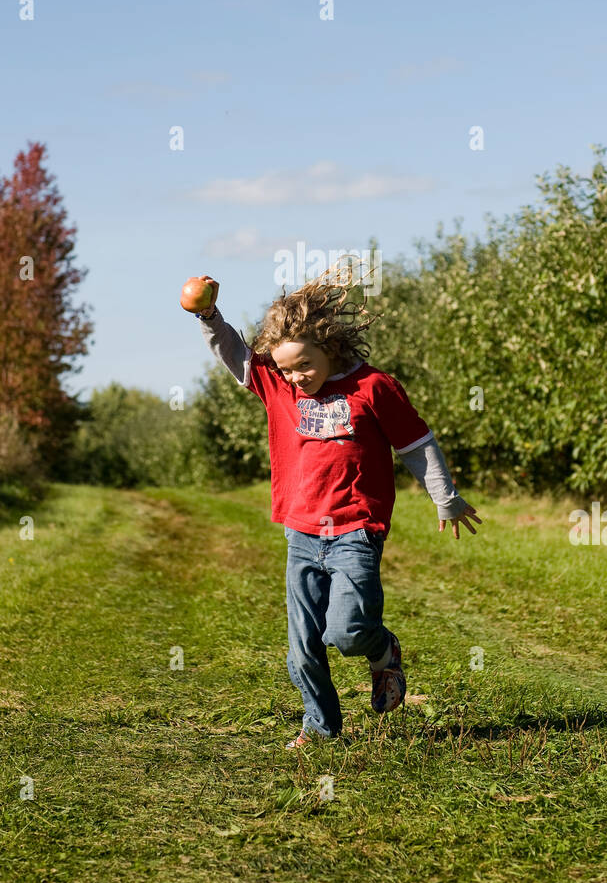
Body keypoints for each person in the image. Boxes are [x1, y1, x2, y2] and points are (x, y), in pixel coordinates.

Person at [186, 268, 481, 748]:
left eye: (303, 364)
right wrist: (208, 315)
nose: (295, 377)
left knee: (345, 632)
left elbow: (416, 444)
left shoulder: (373, 388)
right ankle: (321, 730)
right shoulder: (279, 387)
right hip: (300, 533)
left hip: (357, 531)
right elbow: (236, 354)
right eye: (285, 369)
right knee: (302, 647)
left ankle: (382, 650)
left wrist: (444, 498)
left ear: (330, 347)